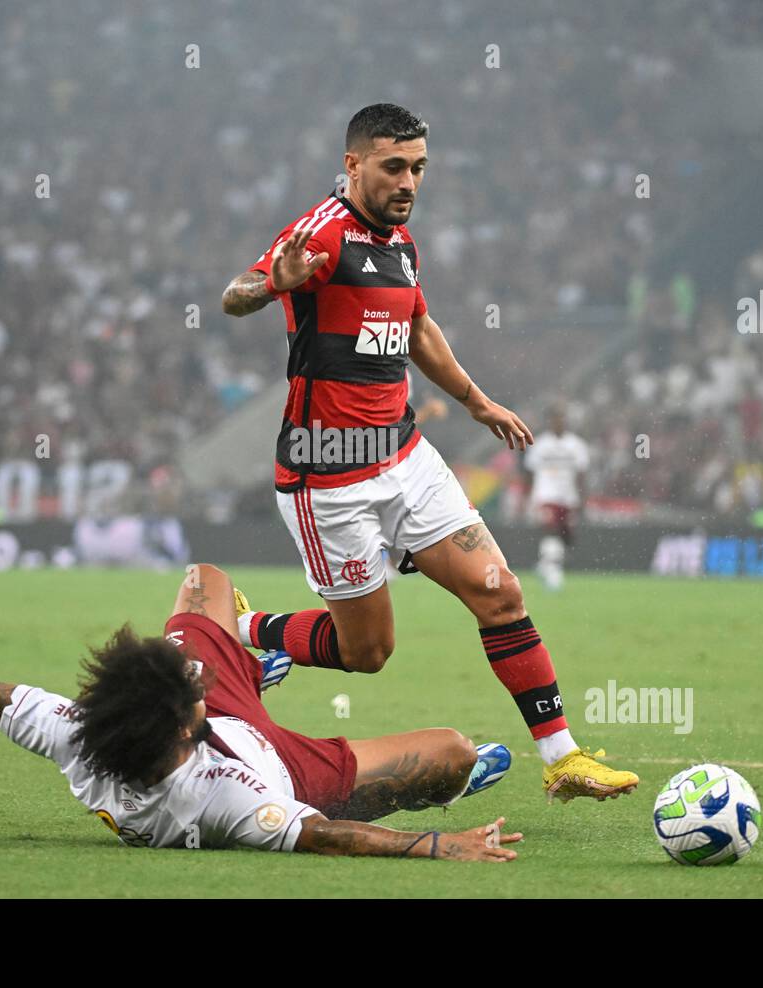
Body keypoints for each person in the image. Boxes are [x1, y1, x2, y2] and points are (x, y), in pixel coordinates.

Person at [221, 103, 637, 802]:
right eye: (393, 167)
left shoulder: (400, 245)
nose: (409, 181)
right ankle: (244, 631)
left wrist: (477, 402)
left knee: (499, 592)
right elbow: (235, 295)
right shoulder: (319, 233)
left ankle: (563, 758)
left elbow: (416, 327)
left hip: (406, 455)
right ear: (353, 164)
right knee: (368, 652)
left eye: (418, 168)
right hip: (328, 472)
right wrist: (274, 284)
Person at [0, 516, 520, 860]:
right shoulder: (223, 798)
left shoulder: (83, 732)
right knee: (452, 753)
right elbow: (325, 836)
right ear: (184, 725)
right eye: (190, 689)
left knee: (203, 577)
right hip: (284, 769)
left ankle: (249, 665)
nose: (192, 683)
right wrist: (441, 846)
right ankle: (444, 786)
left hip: (224, 721)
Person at [522, 405, 589, 591]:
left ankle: (545, 565)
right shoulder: (540, 444)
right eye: (555, 419)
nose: (559, 422)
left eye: (562, 419)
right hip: (545, 495)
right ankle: (553, 573)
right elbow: (530, 473)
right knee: (550, 529)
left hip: (568, 497)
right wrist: (527, 499)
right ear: (550, 422)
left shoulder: (576, 445)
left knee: (565, 536)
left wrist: (582, 500)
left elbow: (582, 475)